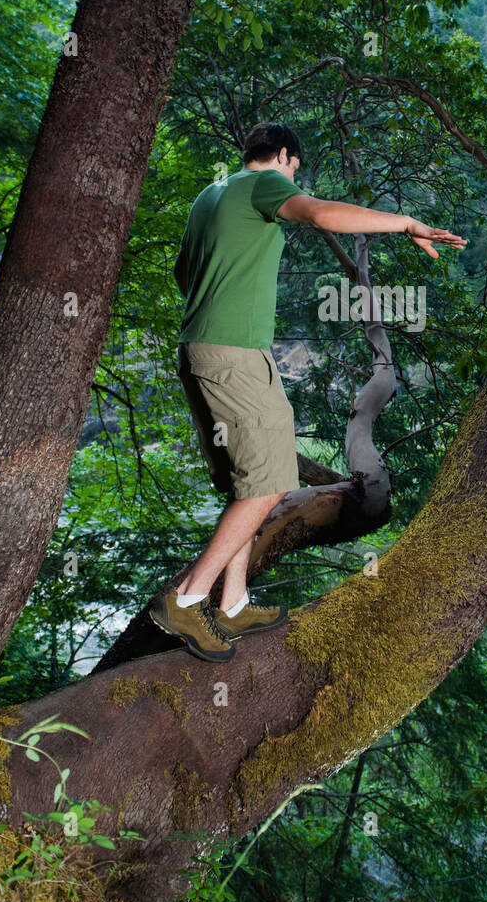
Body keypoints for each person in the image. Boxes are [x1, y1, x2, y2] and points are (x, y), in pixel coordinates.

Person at [150, 121, 467, 661]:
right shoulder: (262, 184)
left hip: (198, 349)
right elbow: (321, 213)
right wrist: (408, 222)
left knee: (247, 480)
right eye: (295, 168)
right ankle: (187, 599)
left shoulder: (209, 196)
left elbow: (186, 273)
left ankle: (233, 603)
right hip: (236, 356)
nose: (294, 179)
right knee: (268, 484)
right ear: (282, 156)